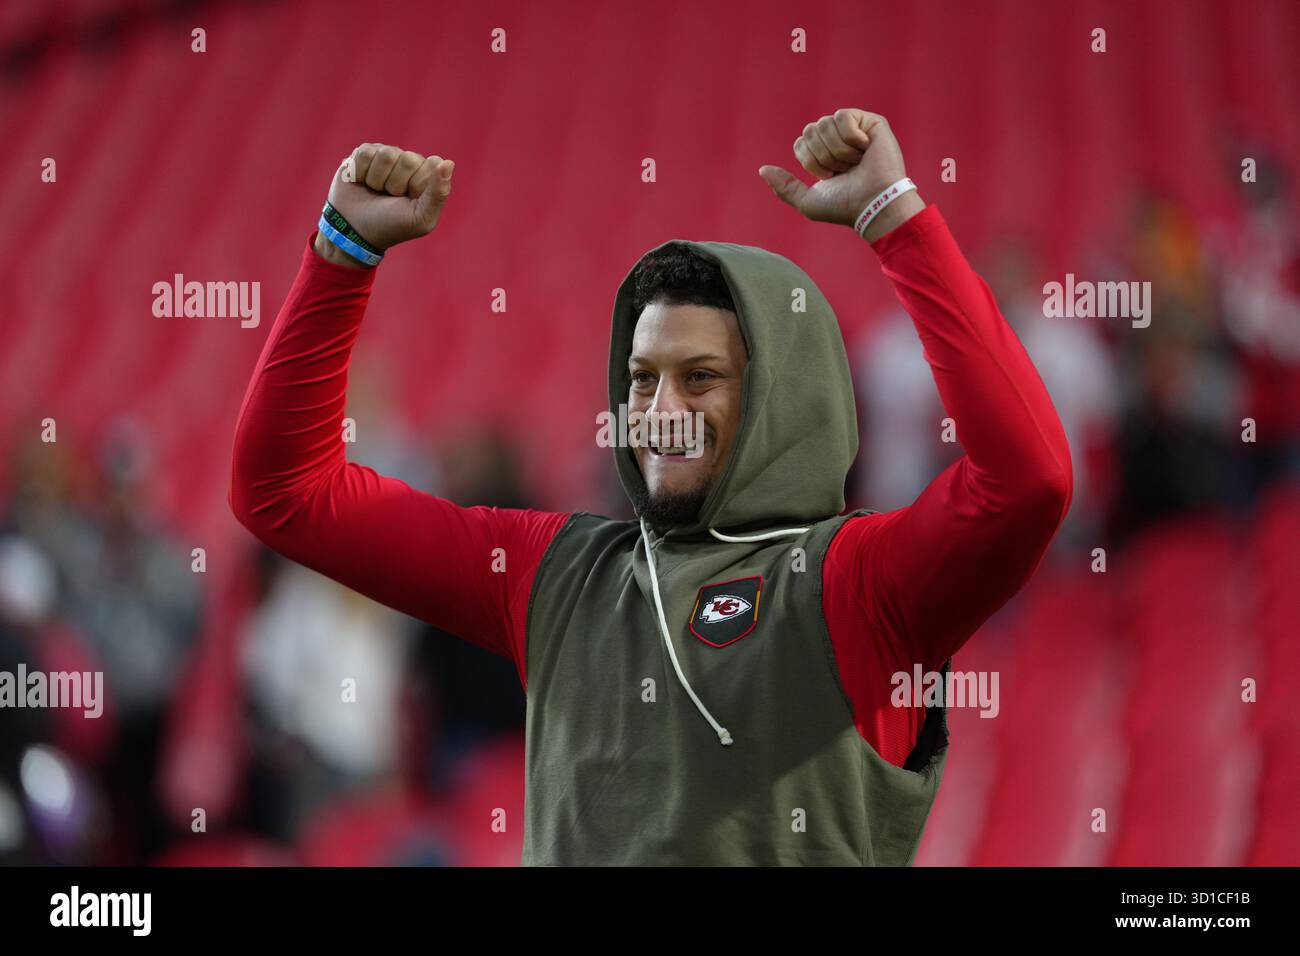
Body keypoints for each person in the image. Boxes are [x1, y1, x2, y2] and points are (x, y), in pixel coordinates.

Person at [230, 108, 1073, 865]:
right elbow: (284, 491)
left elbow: (1027, 480)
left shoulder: (862, 582)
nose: (659, 411)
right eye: (641, 378)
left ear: (784, 396)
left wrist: (896, 220)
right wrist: (342, 253)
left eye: (700, 377)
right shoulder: (552, 571)